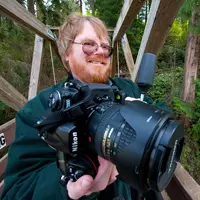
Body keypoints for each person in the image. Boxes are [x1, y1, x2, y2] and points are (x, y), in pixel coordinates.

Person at [1, 13, 165, 200]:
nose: (101, 51)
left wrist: (145, 114)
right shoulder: (40, 110)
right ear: (66, 53)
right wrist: (69, 182)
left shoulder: (126, 89)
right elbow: (16, 192)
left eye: (105, 46)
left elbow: (164, 117)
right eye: (89, 44)